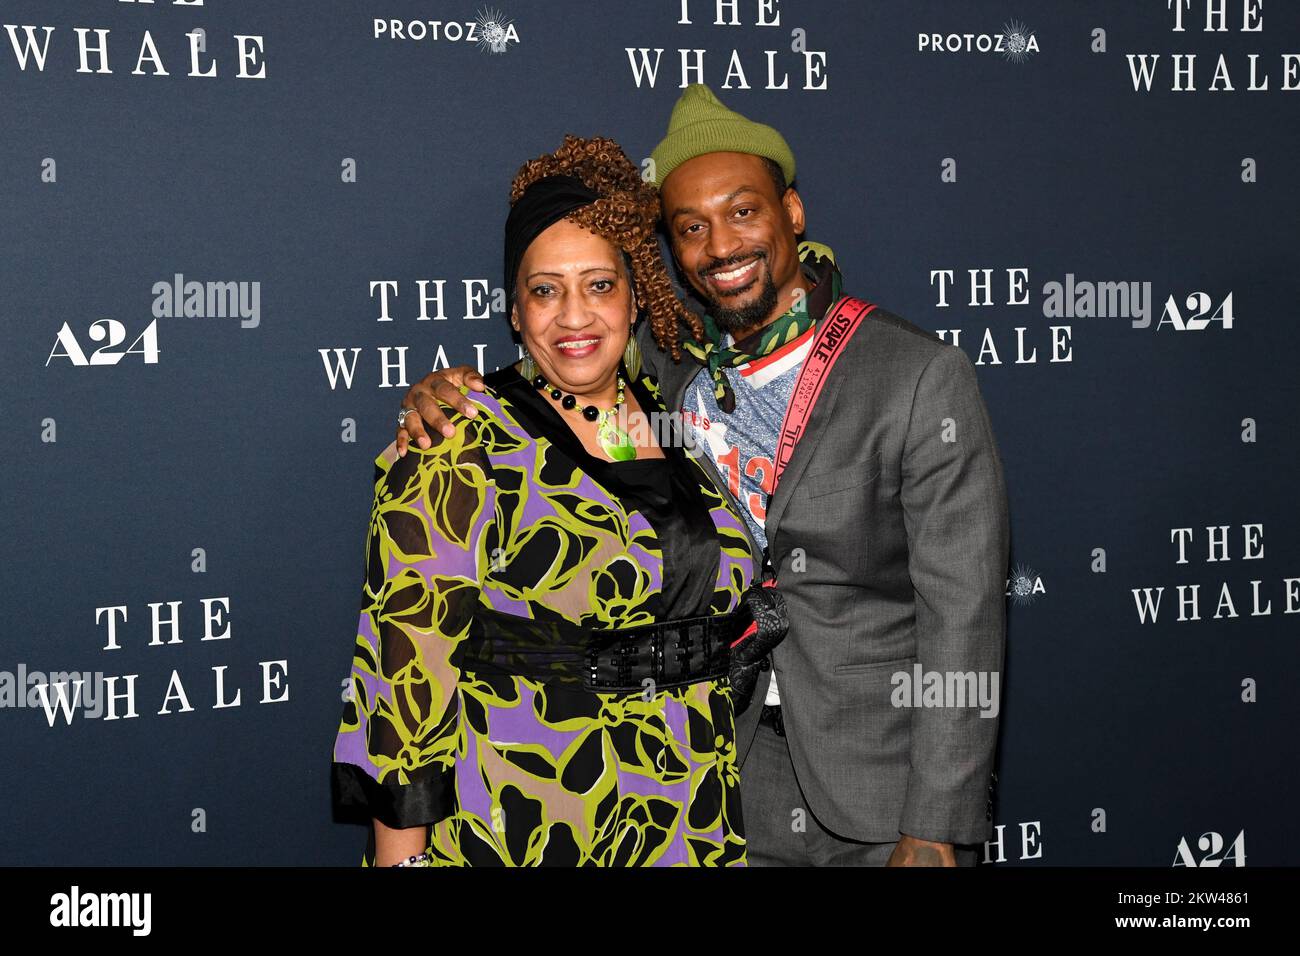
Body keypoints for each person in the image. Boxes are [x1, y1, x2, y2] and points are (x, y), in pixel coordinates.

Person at [397, 86, 1011, 867]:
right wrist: (445, 392)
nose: (720, 245)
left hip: (882, 791)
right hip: (712, 783)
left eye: (743, 211)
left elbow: (965, 619)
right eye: (690, 228)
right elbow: (562, 355)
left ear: (791, 212)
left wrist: (936, 824)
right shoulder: (667, 364)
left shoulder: (919, 375)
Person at [330, 133, 792, 867]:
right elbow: (405, 672)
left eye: (599, 285)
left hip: (690, 819)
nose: (573, 316)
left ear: (636, 296)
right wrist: (400, 857)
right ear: (515, 311)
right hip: (529, 820)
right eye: (545, 289)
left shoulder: (674, 417)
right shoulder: (461, 437)